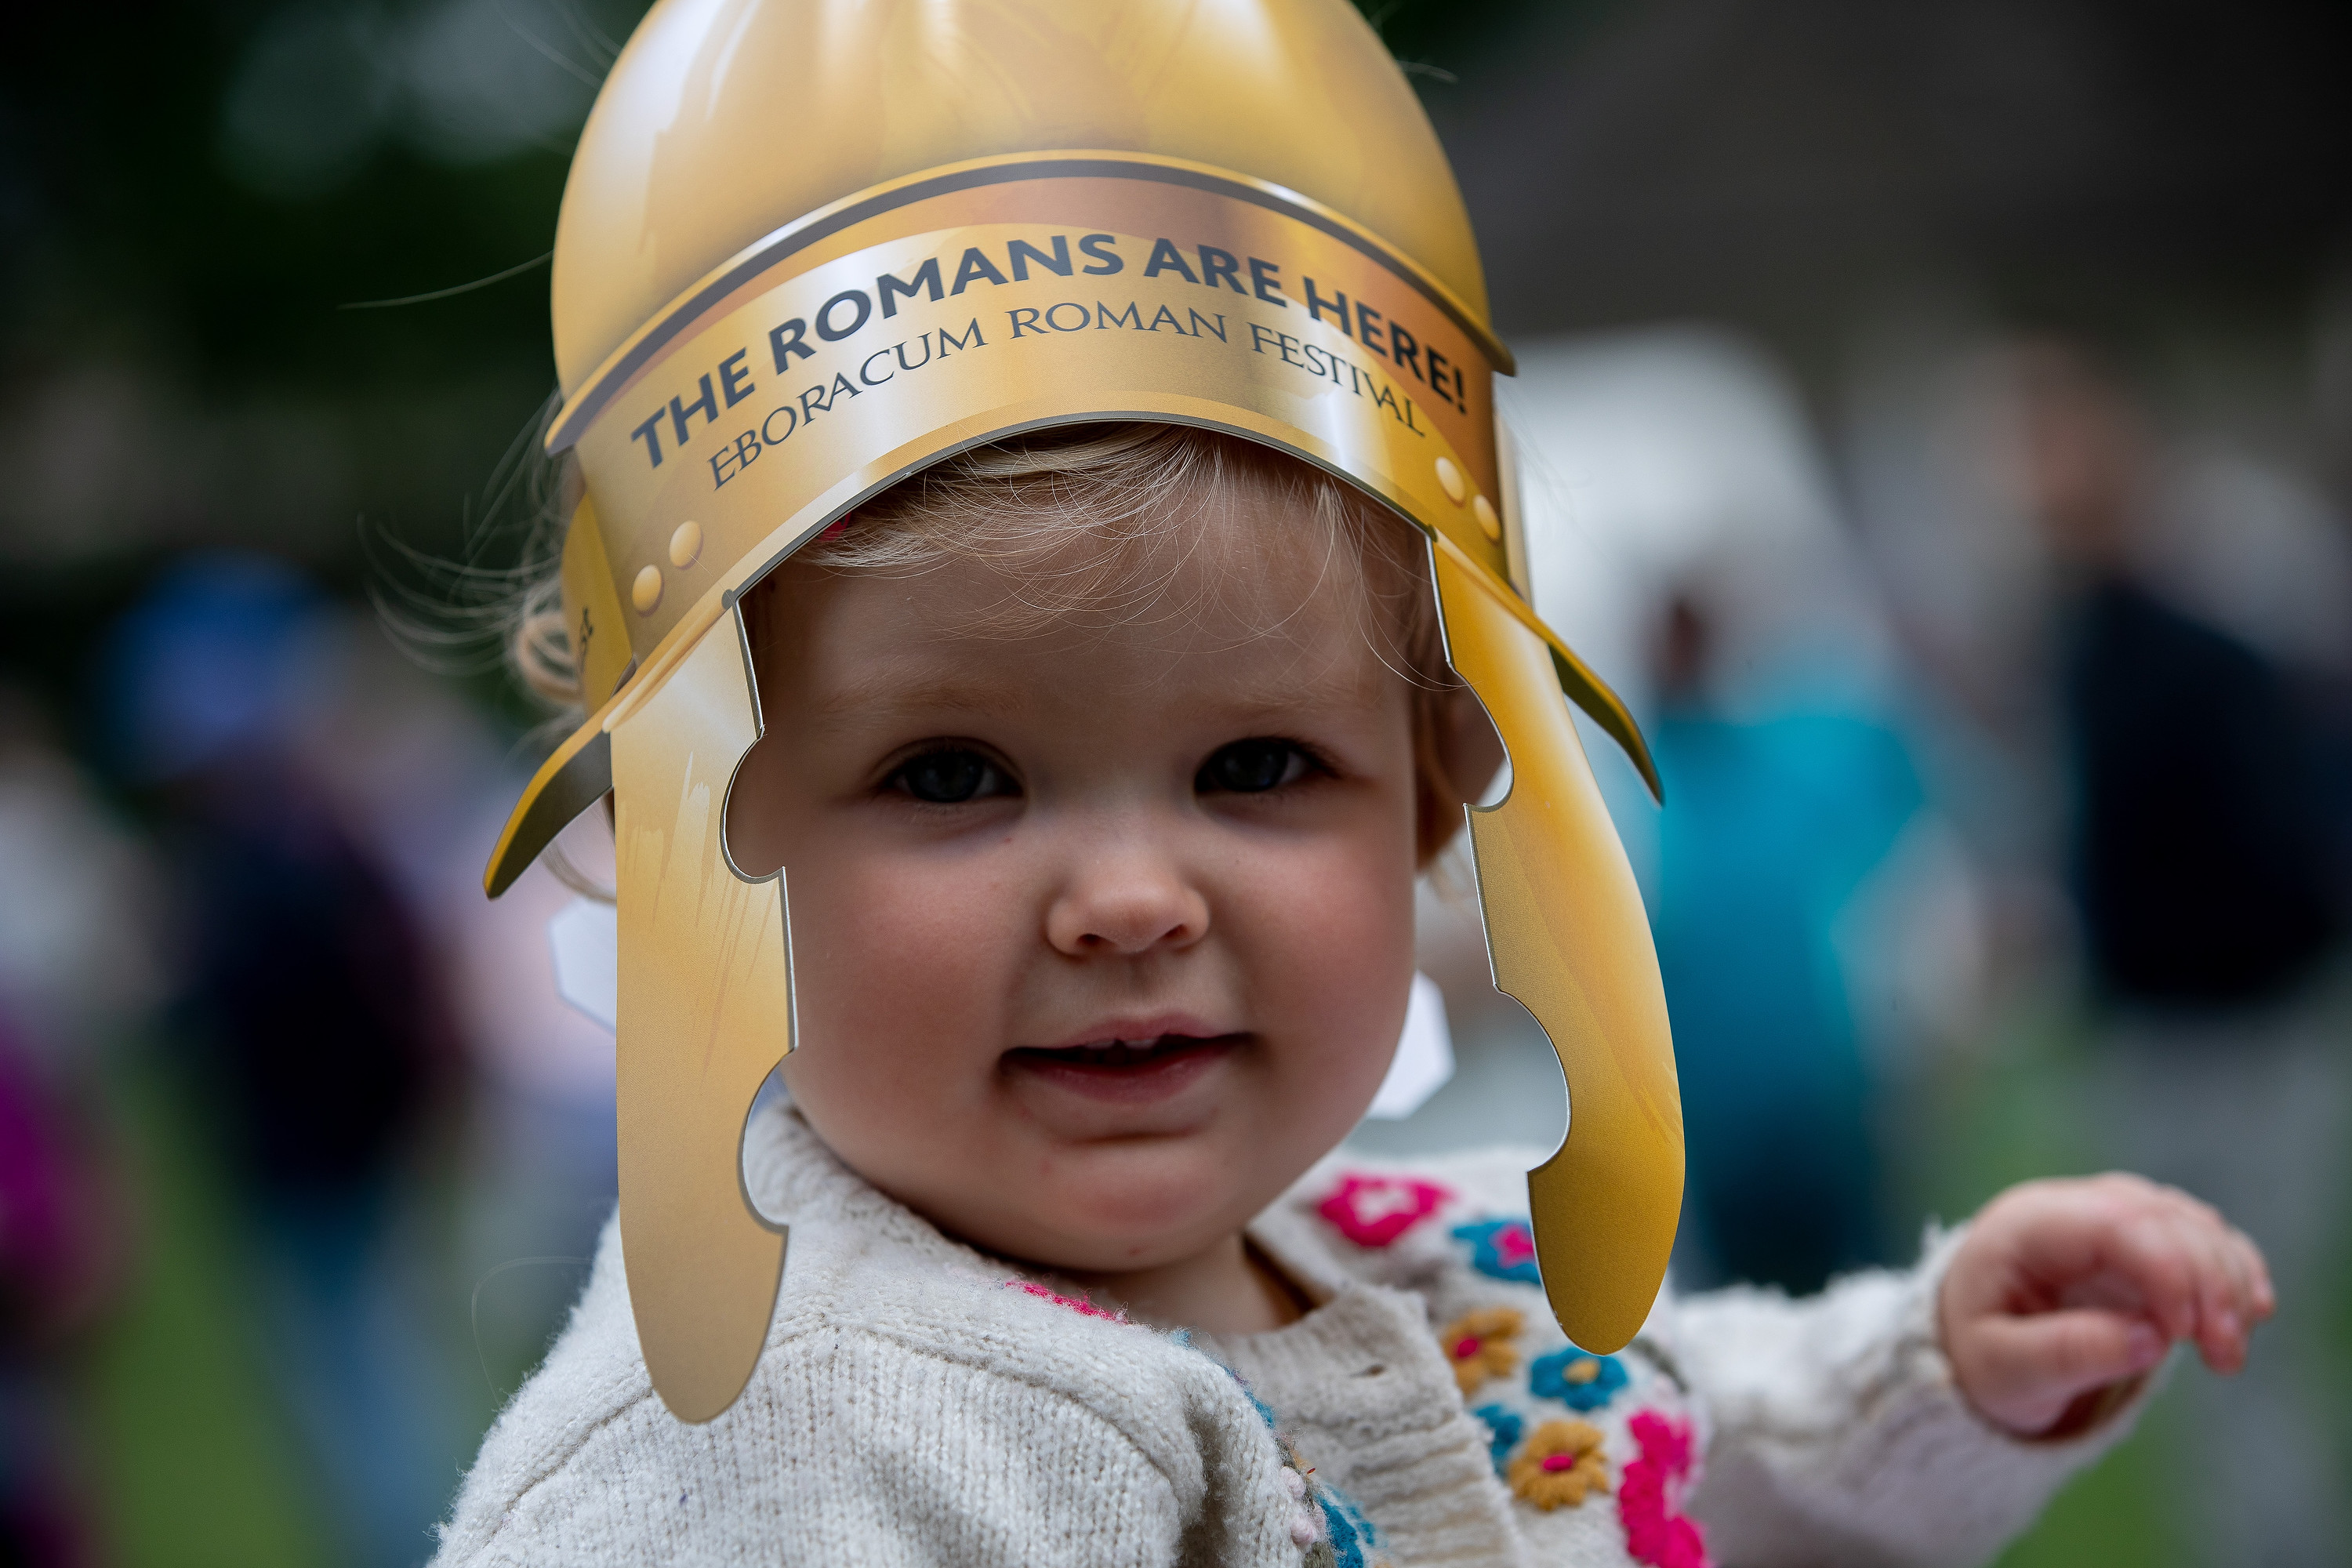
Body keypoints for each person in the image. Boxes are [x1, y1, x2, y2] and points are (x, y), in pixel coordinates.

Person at [434, 5, 2271, 1563]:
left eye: (1255, 764)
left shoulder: (1380, 1255)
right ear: (691, 838)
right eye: (954, 774)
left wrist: (1938, 1362)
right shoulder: (795, 1449)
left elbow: (1659, 1435)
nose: (1131, 897)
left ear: (1430, 804)